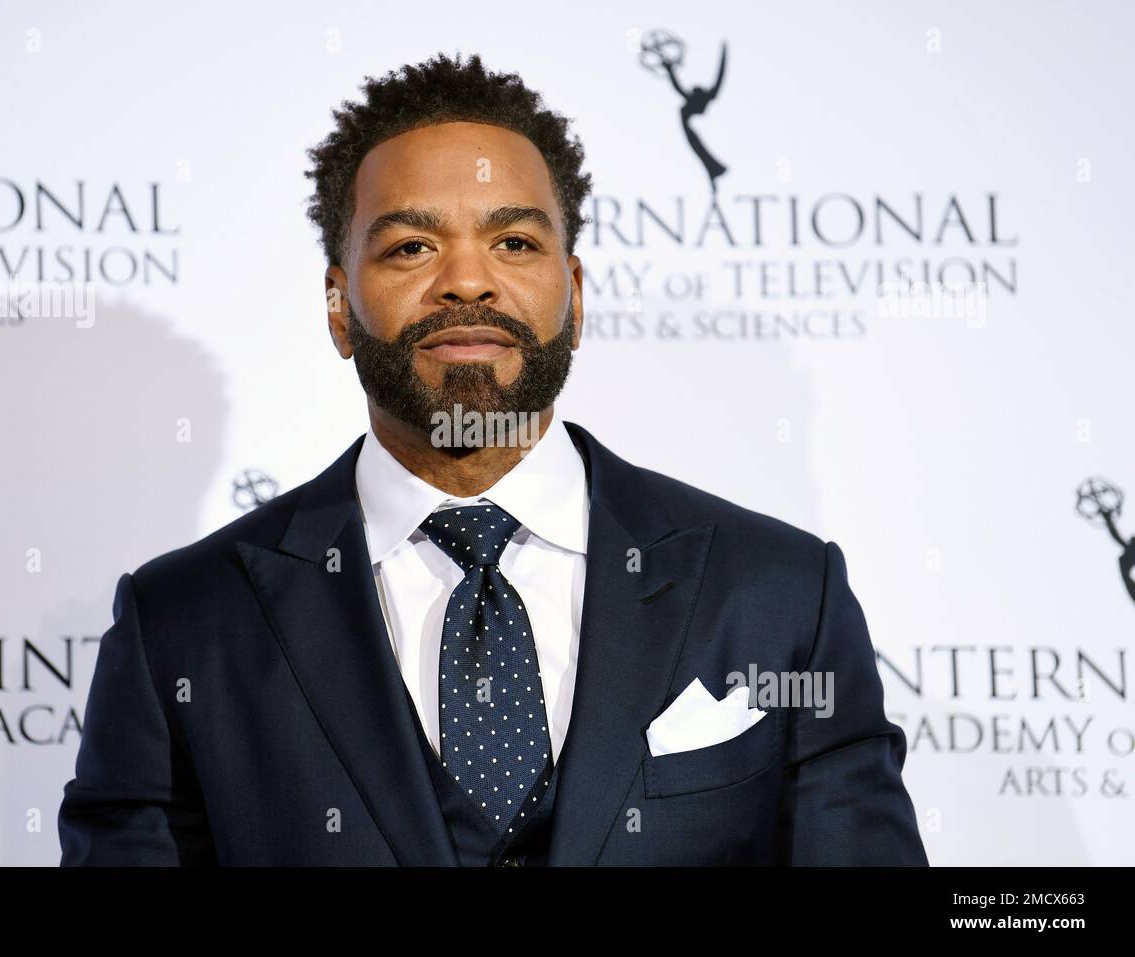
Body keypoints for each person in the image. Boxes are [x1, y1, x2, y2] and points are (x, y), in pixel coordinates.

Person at [58, 52, 928, 867]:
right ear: (337, 304)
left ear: (574, 296)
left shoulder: (778, 596)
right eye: (411, 246)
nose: (467, 281)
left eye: (514, 243)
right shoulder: (181, 625)